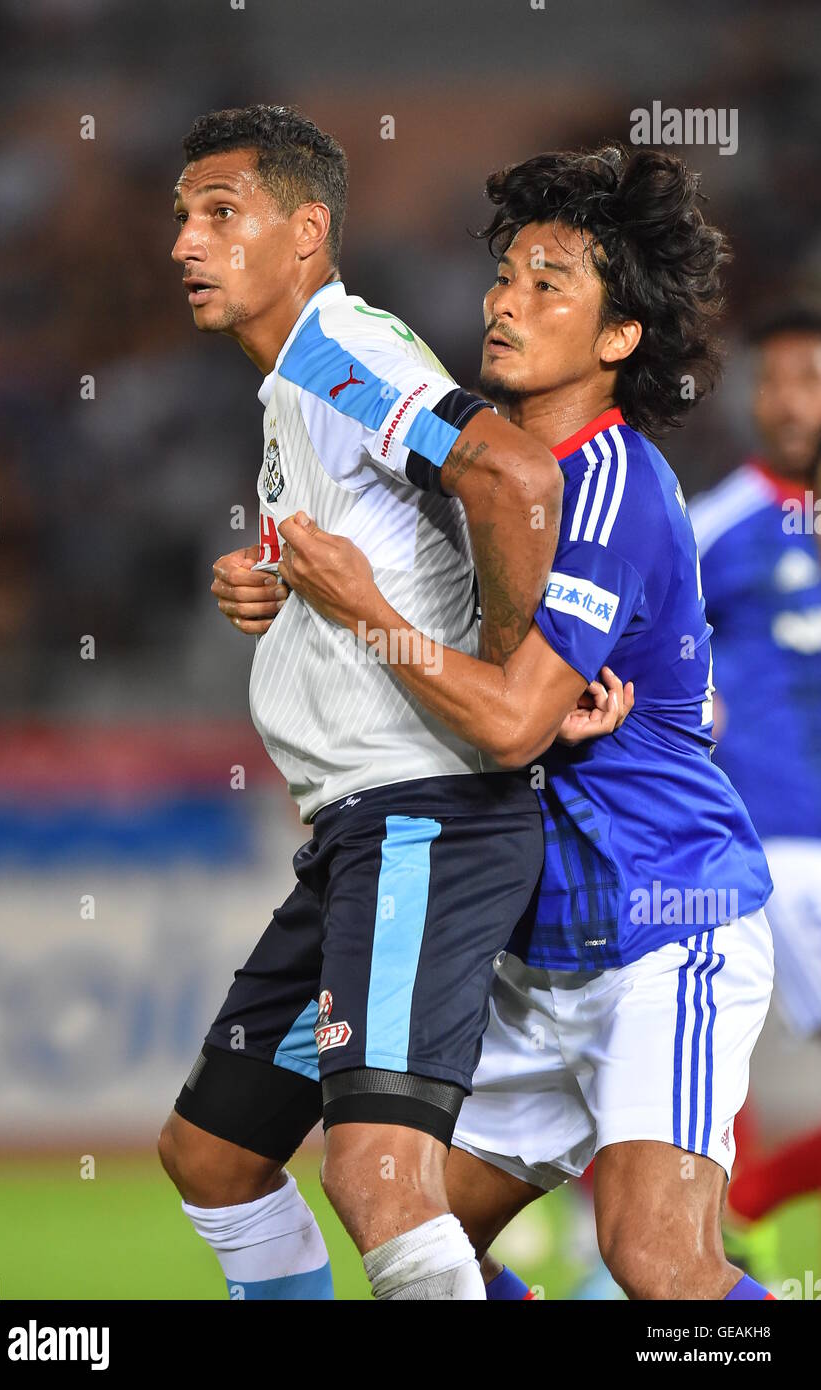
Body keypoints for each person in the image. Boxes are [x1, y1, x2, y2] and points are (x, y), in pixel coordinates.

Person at [273, 146, 777, 1300]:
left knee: (655, 1260)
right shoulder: (477, 477)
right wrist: (265, 578)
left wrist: (362, 609)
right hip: (534, 951)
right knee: (403, 1216)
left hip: (663, 918)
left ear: (617, 339)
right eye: (504, 273)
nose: (504, 300)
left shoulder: (607, 483)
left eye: (550, 281)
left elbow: (503, 726)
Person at [158, 102, 585, 1302]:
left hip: (420, 816)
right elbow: (399, 542)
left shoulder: (336, 348)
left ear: (306, 233)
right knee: (213, 1156)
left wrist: (504, 675)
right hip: (358, 831)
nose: (185, 242)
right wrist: (276, 594)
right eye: (181, 217)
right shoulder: (297, 381)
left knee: (383, 1183)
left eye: (219, 214)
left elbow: (507, 473)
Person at [690, 307, 821, 1232]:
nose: (787, 402)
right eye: (771, 381)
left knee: (702, 1053)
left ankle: (723, 1219)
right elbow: (636, 636)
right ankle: (727, 1218)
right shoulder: (716, 522)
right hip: (770, 835)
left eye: (809, 380)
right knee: (696, 1045)